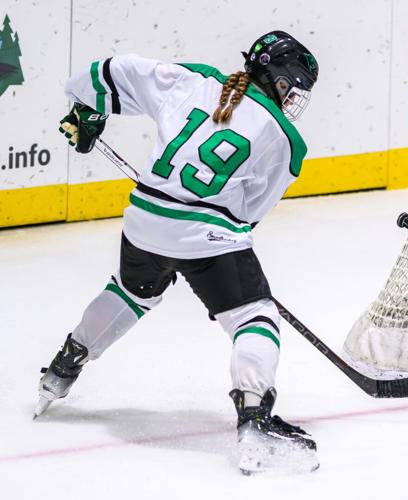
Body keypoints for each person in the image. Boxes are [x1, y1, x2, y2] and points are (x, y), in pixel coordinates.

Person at [36, 30, 320, 474]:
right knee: (254, 316)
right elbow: (247, 217)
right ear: (279, 80)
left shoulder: (194, 80)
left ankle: (62, 370)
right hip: (207, 236)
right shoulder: (287, 140)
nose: (291, 99)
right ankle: (254, 418)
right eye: (292, 88)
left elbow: (107, 72)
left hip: (144, 219)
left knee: (131, 292)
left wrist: (88, 111)